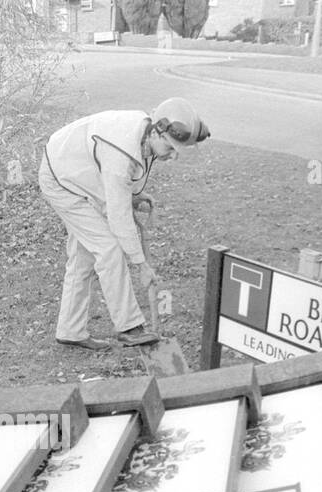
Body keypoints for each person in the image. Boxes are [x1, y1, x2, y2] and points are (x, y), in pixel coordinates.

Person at [39, 97, 210, 350]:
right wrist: (141, 265)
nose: (172, 156)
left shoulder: (141, 132)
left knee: (83, 256)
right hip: (61, 182)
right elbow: (118, 217)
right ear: (156, 132)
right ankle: (129, 327)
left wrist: (131, 196)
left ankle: (70, 330)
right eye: (171, 148)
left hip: (79, 174)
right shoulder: (122, 152)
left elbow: (115, 187)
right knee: (108, 248)